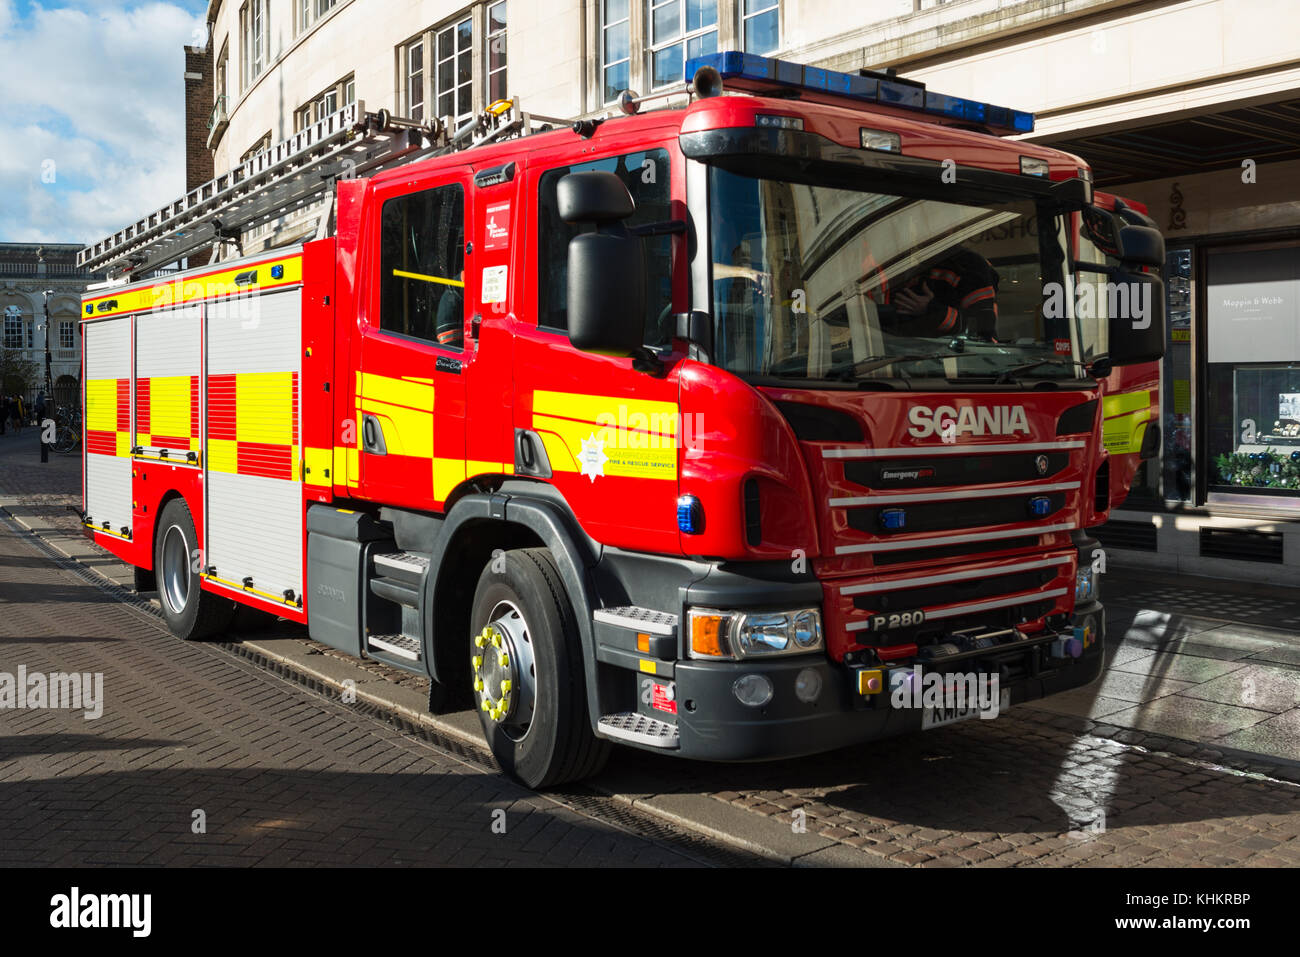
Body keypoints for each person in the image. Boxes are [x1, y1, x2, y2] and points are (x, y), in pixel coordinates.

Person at [890, 246, 1001, 341]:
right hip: (912, 356)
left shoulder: (970, 264)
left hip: (962, 360)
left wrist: (932, 310)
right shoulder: (913, 266)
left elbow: (982, 327)